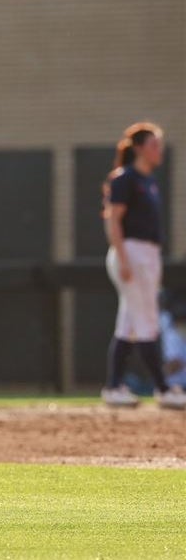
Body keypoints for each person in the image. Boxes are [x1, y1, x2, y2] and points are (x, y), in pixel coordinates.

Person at [99, 123, 186, 410]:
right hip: (131, 253)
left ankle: (113, 387)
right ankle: (164, 388)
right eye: (153, 145)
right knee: (147, 319)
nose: (158, 150)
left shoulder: (149, 181)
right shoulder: (126, 178)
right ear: (138, 148)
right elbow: (113, 221)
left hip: (147, 254)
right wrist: (123, 259)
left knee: (129, 324)